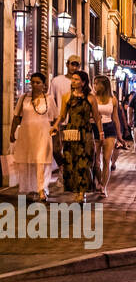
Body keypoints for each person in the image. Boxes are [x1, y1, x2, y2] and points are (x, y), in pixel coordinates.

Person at [52, 71, 102, 203]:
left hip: (85, 133)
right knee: (71, 162)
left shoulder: (90, 98)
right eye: (72, 79)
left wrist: (101, 133)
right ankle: (75, 189)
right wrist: (55, 126)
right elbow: (62, 116)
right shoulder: (67, 96)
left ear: (83, 82)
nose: (73, 81)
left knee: (84, 163)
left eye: (76, 79)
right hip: (71, 132)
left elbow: (97, 117)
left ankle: (82, 192)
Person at [9, 72, 55, 201]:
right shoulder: (24, 98)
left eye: (38, 82)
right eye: (33, 82)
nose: (35, 85)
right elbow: (16, 116)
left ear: (44, 85)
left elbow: (56, 118)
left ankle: (42, 189)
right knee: (26, 161)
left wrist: (56, 132)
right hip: (26, 133)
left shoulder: (49, 99)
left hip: (43, 133)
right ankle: (27, 188)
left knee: (42, 161)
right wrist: (12, 132)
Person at [48, 56, 81, 194]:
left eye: (77, 65)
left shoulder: (81, 82)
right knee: (56, 149)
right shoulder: (57, 81)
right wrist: (52, 120)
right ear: (67, 64)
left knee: (70, 151)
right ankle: (63, 169)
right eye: (72, 64)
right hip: (59, 121)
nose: (74, 67)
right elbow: (51, 99)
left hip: (74, 122)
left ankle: (65, 177)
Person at [91, 75, 127, 198]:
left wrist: (120, 134)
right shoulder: (92, 98)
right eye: (94, 83)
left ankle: (103, 186)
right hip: (94, 128)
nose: (95, 86)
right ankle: (98, 180)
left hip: (109, 128)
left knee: (107, 159)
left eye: (97, 83)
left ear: (104, 85)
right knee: (95, 160)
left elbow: (115, 118)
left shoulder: (113, 99)